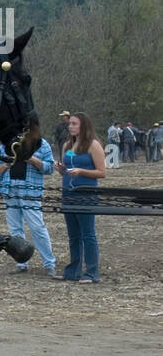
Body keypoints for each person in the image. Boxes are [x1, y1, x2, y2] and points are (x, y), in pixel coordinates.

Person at [0, 114, 57, 277]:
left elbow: (49, 168)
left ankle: (49, 263)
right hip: (10, 190)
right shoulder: (6, 145)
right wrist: (6, 164)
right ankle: (21, 262)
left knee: (37, 227)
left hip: (30, 192)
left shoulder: (42, 145)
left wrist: (32, 160)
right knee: (15, 229)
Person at [54, 112, 107, 283]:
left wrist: (82, 171)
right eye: (70, 124)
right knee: (73, 235)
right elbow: (67, 168)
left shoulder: (93, 145)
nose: (70, 126)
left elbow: (102, 172)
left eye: (74, 124)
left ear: (83, 126)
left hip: (86, 194)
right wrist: (61, 169)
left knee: (88, 234)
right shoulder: (67, 145)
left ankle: (91, 273)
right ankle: (73, 271)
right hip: (68, 193)